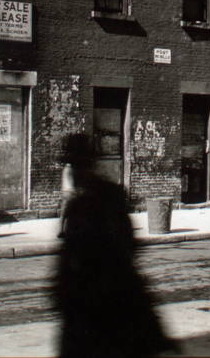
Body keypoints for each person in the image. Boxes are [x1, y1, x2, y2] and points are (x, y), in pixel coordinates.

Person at [55, 133, 177, 358]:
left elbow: (124, 248)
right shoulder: (95, 199)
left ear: (87, 164)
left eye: (76, 163)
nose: (73, 170)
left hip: (107, 305)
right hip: (99, 305)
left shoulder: (99, 199)